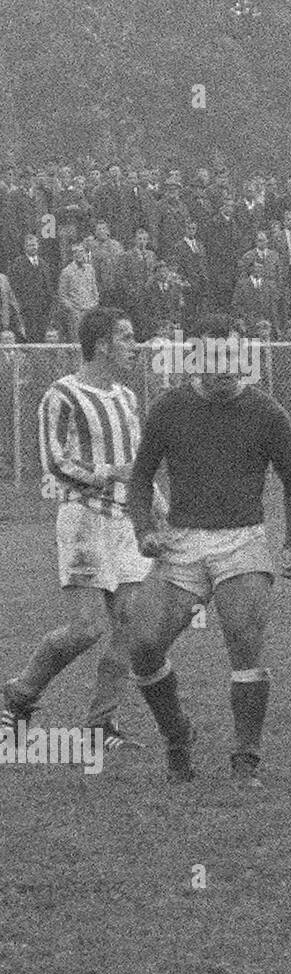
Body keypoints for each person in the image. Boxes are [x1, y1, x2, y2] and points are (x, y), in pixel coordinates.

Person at [124, 313, 291, 786]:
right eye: (213, 357)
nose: (224, 367)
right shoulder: (170, 407)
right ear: (194, 359)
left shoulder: (268, 413)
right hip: (182, 543)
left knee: (243, 643)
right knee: (143, 647)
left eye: (233, 356)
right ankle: (177, 735)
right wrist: (145, 529)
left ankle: (245, 758)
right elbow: (141, 475)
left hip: (242, 540)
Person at [2, 308, 155, 750]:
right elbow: (54, 462)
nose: (134, 344)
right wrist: (110, 474)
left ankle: (101, 724)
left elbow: (137, 464)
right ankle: (19, 696)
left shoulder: (126, 396)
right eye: (126, 336)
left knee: (131, 625)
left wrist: (157, 506)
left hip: (124, 522)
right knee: (86, 629)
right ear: (102, 344)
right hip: (83, 519)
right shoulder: (62, 394)